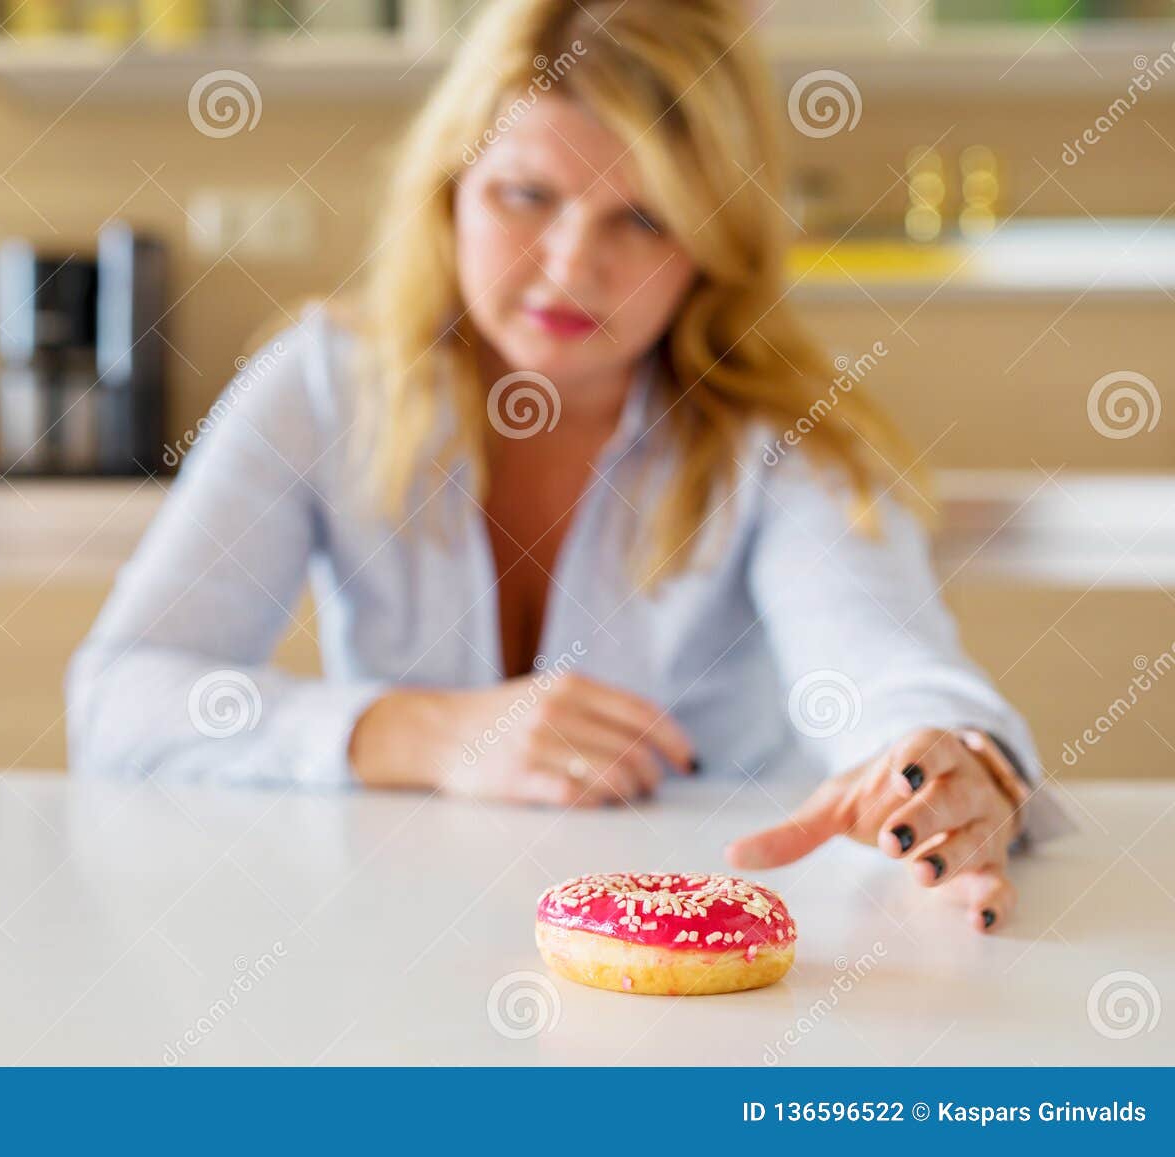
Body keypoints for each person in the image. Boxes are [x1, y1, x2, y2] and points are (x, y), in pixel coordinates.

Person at [66, 0, 1071, 934]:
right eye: (524, 195)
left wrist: (947, 770)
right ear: (447, 190)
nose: (567, 265)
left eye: (640, 218)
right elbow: (122, 697)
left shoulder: (782, 435)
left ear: (711, 243)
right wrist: (423, 732)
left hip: (708, 979)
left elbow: (882, 670)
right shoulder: (322, 384)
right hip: (405, 946)